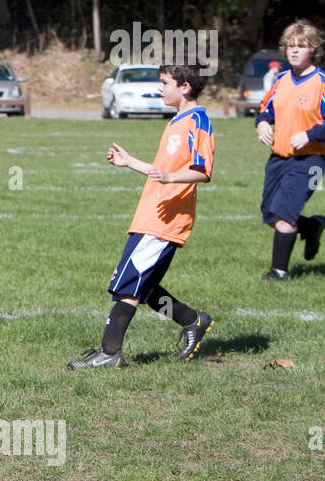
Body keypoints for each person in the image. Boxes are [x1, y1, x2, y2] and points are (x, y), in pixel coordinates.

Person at [69, 63, 215, 369]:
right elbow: (161, 171)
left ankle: (110, 352)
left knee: (128, 285)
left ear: (184, 87)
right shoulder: (178, 120)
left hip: (165, 221)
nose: (160, 88)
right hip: (150, 215)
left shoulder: (198, 121)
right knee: (144, 288)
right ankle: (193, 320)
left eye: (164, 83)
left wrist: (170, 177)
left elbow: (202, 171)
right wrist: (129, 162)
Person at [255, 20, 325, 280]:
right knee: (271, 214)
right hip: (278, 159)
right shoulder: (281, 79)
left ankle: (279, 273)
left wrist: (310, 134)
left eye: (301, 46)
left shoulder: (322, 83)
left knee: (285, 219)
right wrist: (263, 122)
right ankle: (312, 226)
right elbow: (267, 108)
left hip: (311, 161)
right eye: (290, 46)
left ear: (313, 50)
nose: (294, 50)